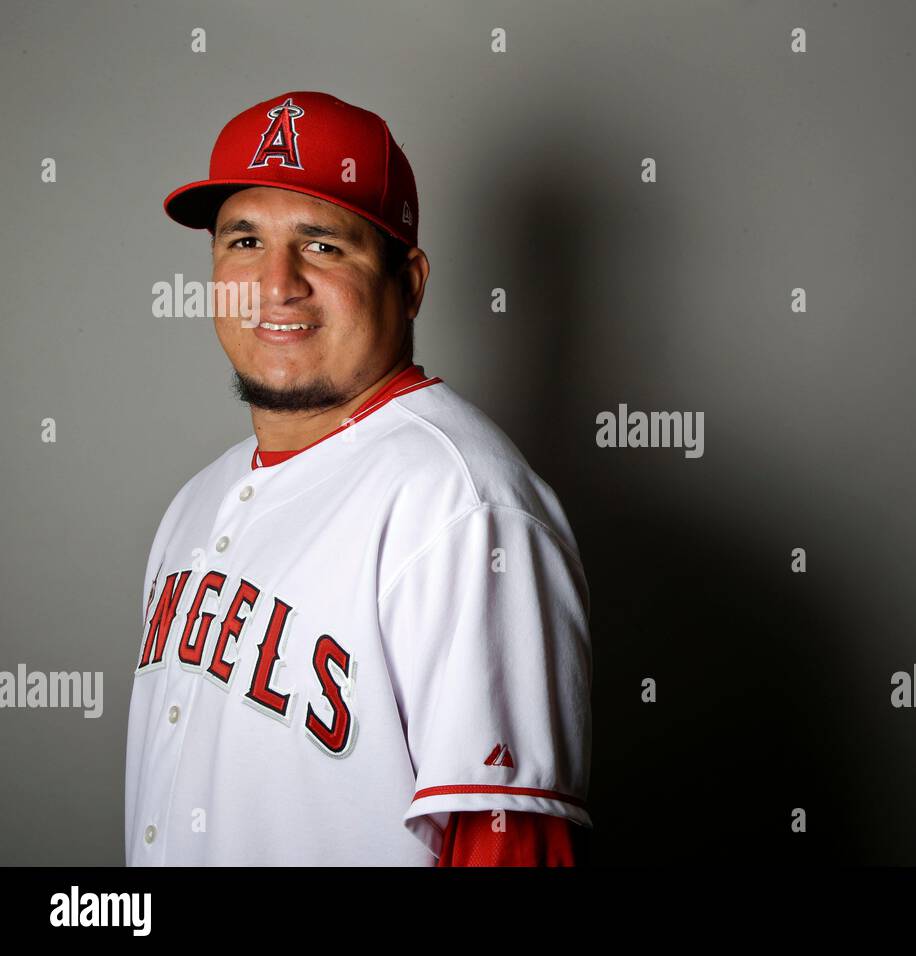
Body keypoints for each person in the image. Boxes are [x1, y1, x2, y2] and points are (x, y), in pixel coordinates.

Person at [125, 91, 592, 866]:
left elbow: (509, 850)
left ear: (409, 282)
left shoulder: (465, 506)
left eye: (323, 245)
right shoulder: (194, 501)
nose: (277, 284)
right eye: (244, 241)